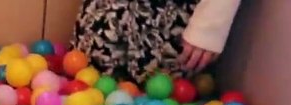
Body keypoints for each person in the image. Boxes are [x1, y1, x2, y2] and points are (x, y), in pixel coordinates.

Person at [71, 0, 242, 82]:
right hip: (109, 15)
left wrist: (208, 28)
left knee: (159, 90)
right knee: (89, 77)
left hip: (168, 24)